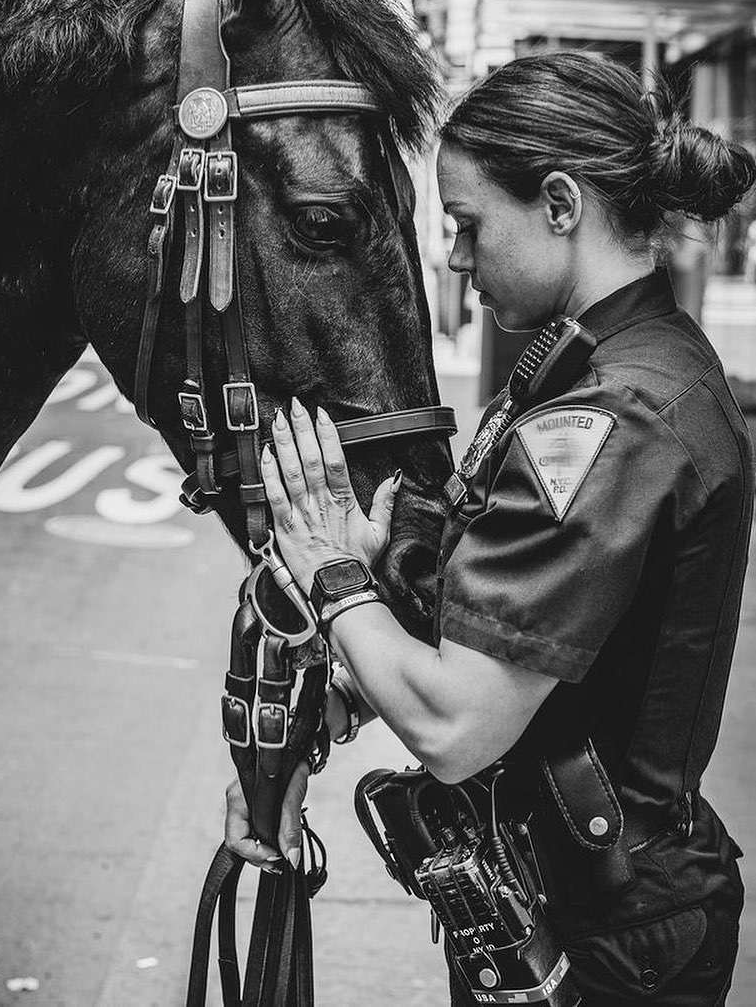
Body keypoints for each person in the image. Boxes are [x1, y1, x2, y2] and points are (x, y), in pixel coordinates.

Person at [224, 51, 756, 1005]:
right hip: (578, 902)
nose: (457, 261)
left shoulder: (618, 414)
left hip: (605, 939)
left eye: (468, 225)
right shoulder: (607, 375)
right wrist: (385, 599)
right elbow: (540, 643)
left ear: (559, 203)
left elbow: (459, 722)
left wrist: (336, 577)